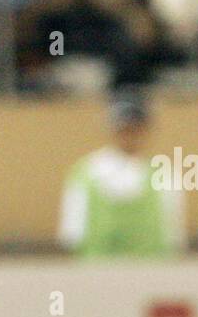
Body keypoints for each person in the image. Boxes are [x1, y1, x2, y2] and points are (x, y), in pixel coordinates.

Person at [57, 94, 186, 258]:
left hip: (152, 272)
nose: (130, 135)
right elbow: (72, 233)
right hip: (96, 273)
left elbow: (173, 234)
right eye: (124, 129)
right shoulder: (86, 172)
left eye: (136, 129)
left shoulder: (164, 174)